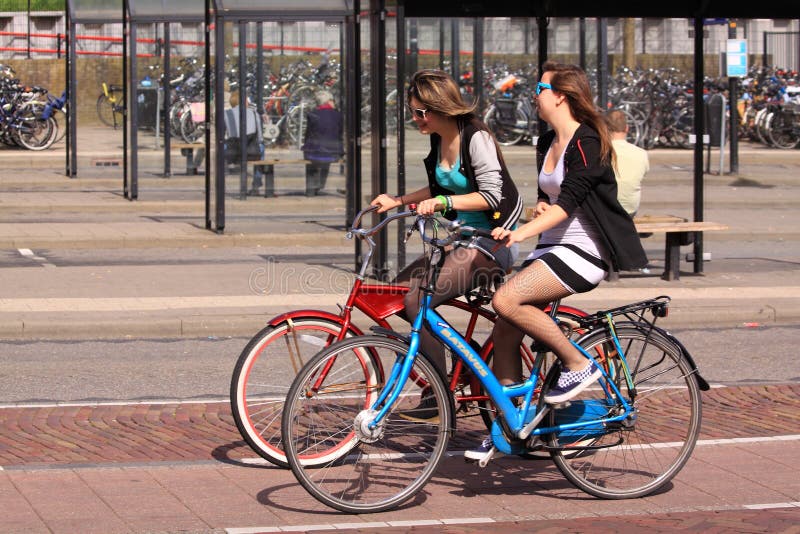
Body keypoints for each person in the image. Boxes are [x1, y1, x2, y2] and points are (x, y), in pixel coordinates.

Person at [465, 61, 647, 461]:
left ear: (560, 94)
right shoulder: (546, 143)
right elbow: (551, 201)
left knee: (506, 300)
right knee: (506, 333)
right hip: (551, 247)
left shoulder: (588, 142)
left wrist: (519, 234)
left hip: (584, 252)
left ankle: (578, 362)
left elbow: (568, 205)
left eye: (539, 88)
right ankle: (511, 426)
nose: (535, 95)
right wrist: (537, 213)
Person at [370, 69, 523, 422]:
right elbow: (442, 188)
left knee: (416, 298)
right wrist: (398, 200)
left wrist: (444, 205)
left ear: (441, 108)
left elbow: (490, 196)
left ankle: (438, 395)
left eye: (421, 112)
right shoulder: (439, 139)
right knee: (398, 291)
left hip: (493, 242)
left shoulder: (476, 137)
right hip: (463, 241)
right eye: (413, 112)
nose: (416, 119)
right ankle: (448, 371)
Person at [605, 109, 649, 217]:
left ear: (605, 129)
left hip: (606, 210)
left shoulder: (601, 152)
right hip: (629, 210)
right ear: (627, 128)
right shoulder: (641, 154)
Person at [301, 90, 344, 196]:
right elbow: (339, 134)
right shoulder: (337, 115)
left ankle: (310, 190)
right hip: (331, 153)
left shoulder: (312, 115)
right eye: (332, 100)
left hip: (313, 153)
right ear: (328, 101)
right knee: (325, 159)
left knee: (311, 162)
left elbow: (308, 135)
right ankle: (320, 185)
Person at [224, 90, 264, 196]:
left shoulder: (226, 114)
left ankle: (222, 178)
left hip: (233, 153)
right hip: (252, 152)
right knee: (261, 147)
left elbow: (224, 135)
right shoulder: (254, 113)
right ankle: (256, 183)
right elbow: (260, 136)